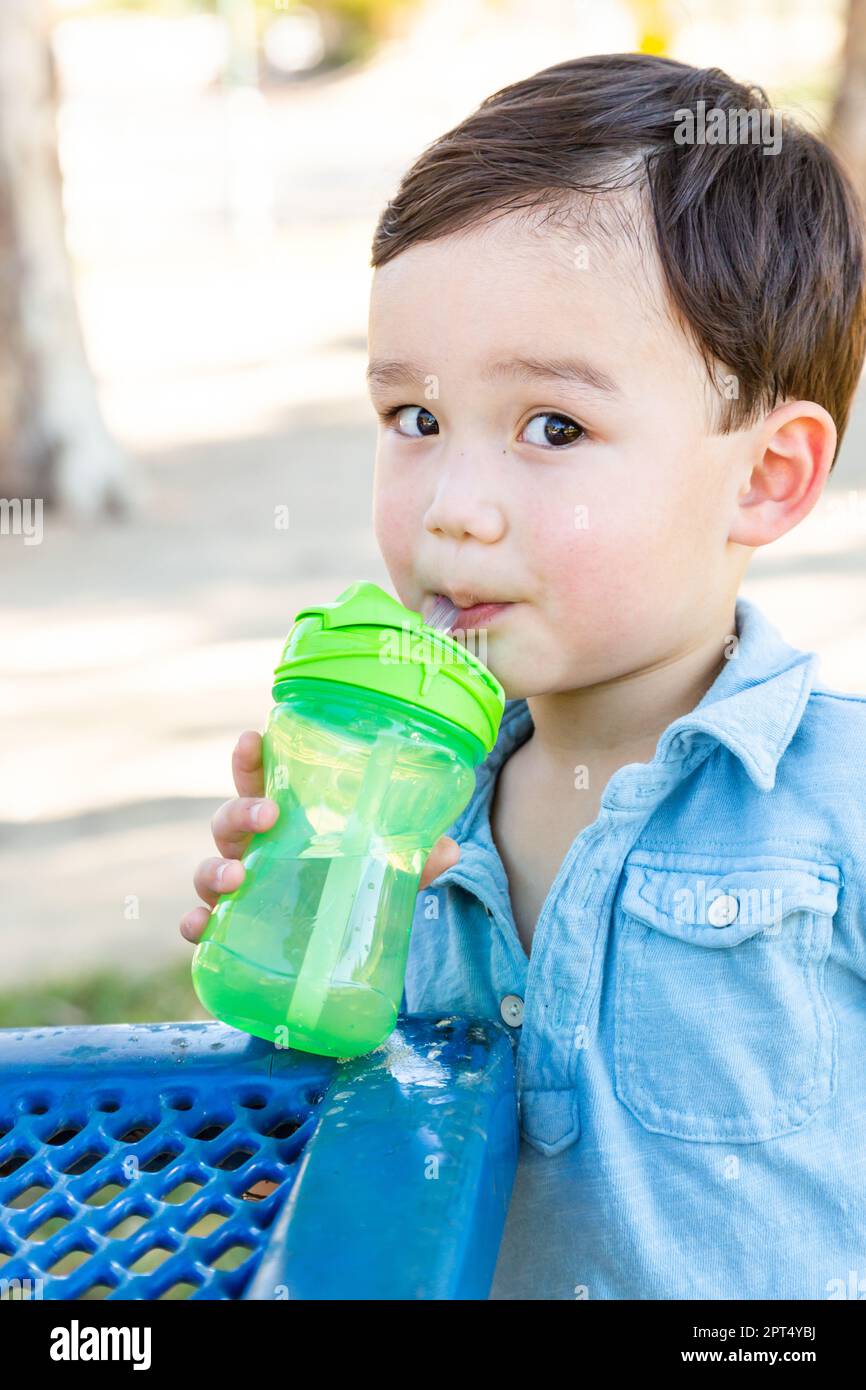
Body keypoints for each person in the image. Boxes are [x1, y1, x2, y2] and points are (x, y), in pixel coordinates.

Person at [180, 53, 866, 1299]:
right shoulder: (409, 803)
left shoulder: (840, 799)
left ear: (764, 476)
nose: (451, 509)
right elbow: (327, 1137)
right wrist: (283, 923)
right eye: (414, 420)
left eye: (552, 428)